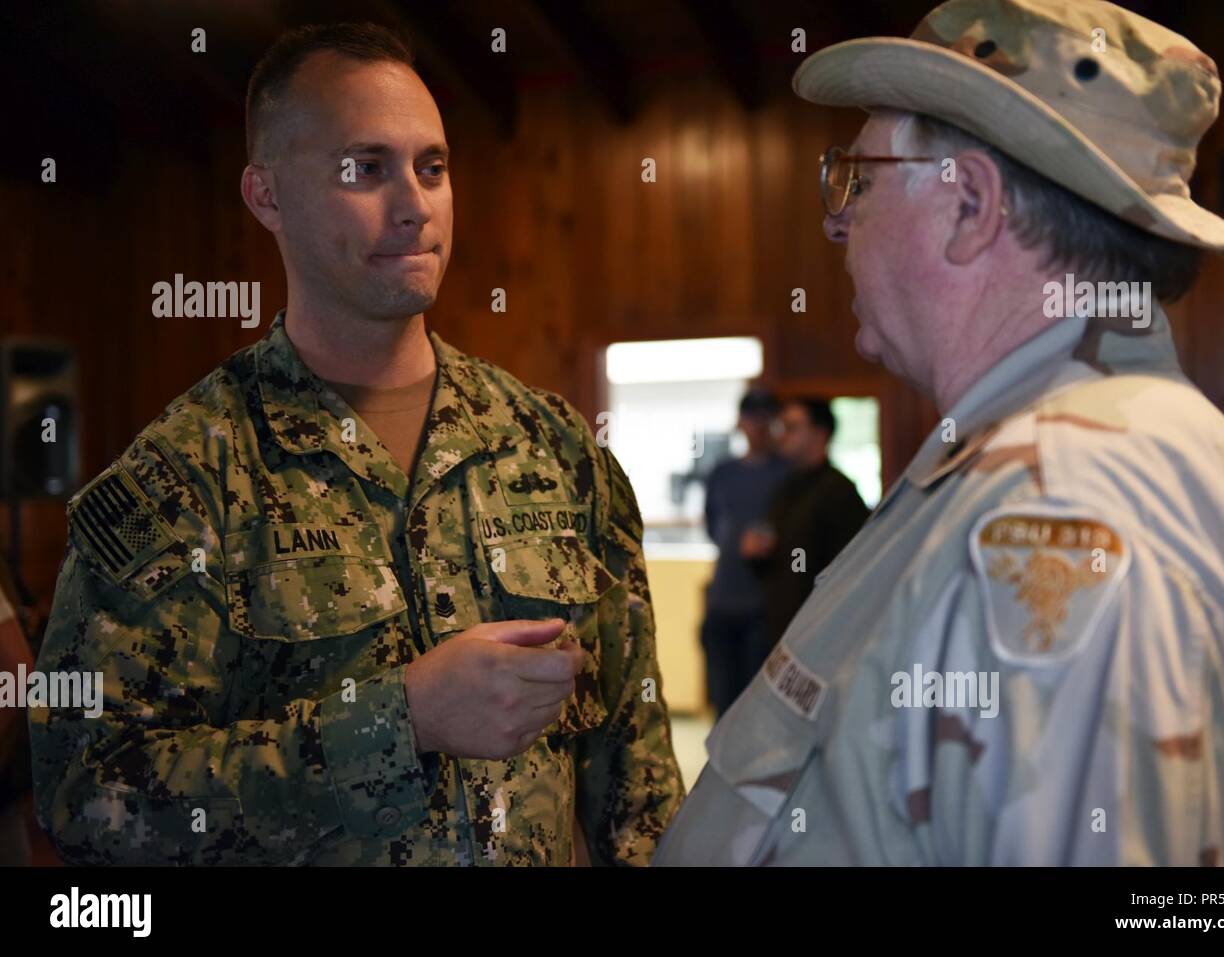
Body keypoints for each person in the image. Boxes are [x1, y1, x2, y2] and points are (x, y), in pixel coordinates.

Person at [656, 0, 1224, 866]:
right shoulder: (1055, 450)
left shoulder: (1064, 498)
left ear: (968, 205)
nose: (836, 220)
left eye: (860, 177)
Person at [29, 22, 683, 866]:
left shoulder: (557, 449)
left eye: (432, 167)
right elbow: (88, 795)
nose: (413, 202)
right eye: (365, 169)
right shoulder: (184, 481)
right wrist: (399, 721)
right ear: (266, 196)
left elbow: (642, 791)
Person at [741, 398, 869, 649]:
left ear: (819, 434)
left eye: (792, 427)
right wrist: (757, 552)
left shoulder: (840, 492)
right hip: (779, 629)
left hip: (820, 634)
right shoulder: (786, 488)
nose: (782, 435)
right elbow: (775, 557)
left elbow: (851, 569)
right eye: (782, 427)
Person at [700, 389, 790, 718]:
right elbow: (712, 527)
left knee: (760, 706)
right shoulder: (723, 473)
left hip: (765, 606)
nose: (759, 427)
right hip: (723, 600)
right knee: (724, 703)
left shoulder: (787, 474)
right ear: (741, 423)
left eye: (767, 419)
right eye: (752, 419)